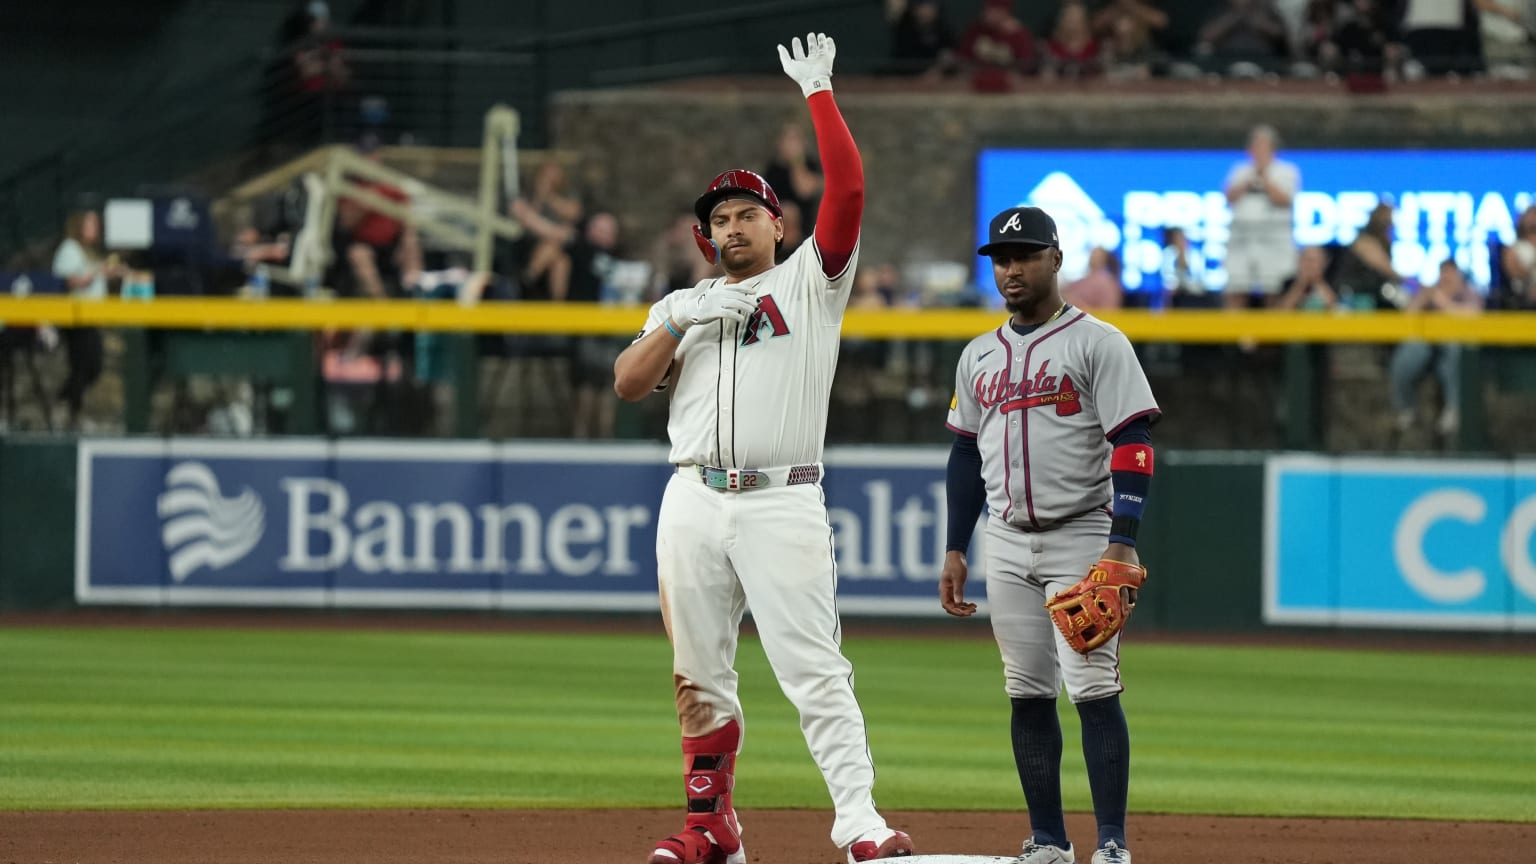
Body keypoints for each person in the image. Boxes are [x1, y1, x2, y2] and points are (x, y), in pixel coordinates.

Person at [613, 32, 914, 864]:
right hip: (693, 497)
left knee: (813, 667)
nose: (734, 225)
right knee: (697, 672)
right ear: (705, 236)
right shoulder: (683, 304)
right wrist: (678, 317)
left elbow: (848, 192)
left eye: (749, 213)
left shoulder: (812, 280)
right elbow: (628, 383)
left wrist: (819, 93)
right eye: (720, 218)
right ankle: (711, 827)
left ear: (778, 225)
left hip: (782, 496)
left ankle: (859, 819)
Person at [940, 205, 1160, 864]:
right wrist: (956, 546)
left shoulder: (1098, 342)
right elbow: (965, 454)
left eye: (1026, 256)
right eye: (1002, 259)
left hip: (1083, 532)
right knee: (1026, 690)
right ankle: (1048, 841)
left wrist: (1122, 538)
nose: (1012, 269)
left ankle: (1112, 843)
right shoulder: (977, 355)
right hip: (1006, 538)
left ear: (1056, 259)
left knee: (1093, 688)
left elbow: (1133, 440)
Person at [1388, 258, 1482, 446]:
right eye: (1443, 273)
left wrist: (1444, 303)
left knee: (1453, 354)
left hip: (1454, 352)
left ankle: (1453, 410)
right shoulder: (1430, 293)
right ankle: (1406, 409)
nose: (1447, 278)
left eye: (1451, 273)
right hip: (1426, 350)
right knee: (1409, 353)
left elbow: (1475, 315)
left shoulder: (1468, 292)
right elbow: (1408, 316)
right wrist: (1424, 298)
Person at [52, 209, 122, 431]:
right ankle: (66, 408)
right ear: (79, 225)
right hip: (75, 317)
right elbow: (69, 281)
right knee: (83, 367)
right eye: (91, 224)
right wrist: (96, 273)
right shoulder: (69, 249)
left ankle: (70, 409)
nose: (96, 229)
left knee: (92, 366)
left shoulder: (89, 251)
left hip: (92, 316)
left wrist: (108, 273)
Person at [1222, 125, 1300, 308]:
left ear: (1272, 148)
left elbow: (1284, 199)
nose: (1259, 151)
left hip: (1273, 241)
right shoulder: (1240, 171)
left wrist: (1264, 177)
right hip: (1242, 240)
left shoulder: (1287, 171)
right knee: (1236, 289)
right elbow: (1229, 197)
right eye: (1255, 146)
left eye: (1263, 146)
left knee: (1273, 291)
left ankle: (1272, 326)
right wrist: (1250, 178)